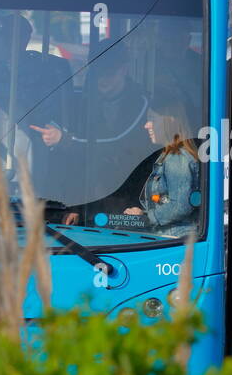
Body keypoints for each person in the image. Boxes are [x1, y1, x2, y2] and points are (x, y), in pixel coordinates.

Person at [32, 38, 153, 222]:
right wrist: (75, 207)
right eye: (97, 72)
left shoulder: (142, 104)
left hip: (129, 201)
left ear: (124, 70)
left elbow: (118, 143)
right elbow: (78, 165)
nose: (102, 79)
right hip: (90, 200)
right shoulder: (85, 104)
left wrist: (65, 140)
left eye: (109, 72)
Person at [123, 93, 202, 238]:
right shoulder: (170, 155)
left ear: (170, 121)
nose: (146, 125)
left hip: (174, 238)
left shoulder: (177, 158)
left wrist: (146, 217)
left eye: (152, 120)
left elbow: (180, 206)